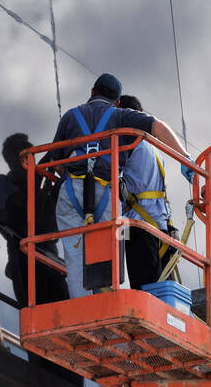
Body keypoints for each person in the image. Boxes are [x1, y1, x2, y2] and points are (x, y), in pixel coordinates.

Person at [51, 72, 193, 297]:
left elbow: (56, 163)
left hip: (72, 191)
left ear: (91, 92)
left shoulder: (70, 116)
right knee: (107, 260)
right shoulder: (121, 117)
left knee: (75, 255)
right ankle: (105, 304)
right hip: (107, 196)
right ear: (117, 102)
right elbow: (157, 126)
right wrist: (187, 160)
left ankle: (82, 306)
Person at [0, 133, 69, 309]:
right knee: (40, 315)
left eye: (32, 153)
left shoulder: (42, 186)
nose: (30, 158)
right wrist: (41, 170)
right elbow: (21, 206)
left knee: (65, 312)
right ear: (11, 158)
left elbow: (55, 222)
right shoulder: (1, 183)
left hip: (52, 260)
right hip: (24, 261)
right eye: (25, 154)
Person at [116, 94, 178, 288]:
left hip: (139, 226)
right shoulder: (152, 146)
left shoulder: (129, 143)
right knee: (161, 294)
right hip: (161, 227)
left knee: (144, 291)